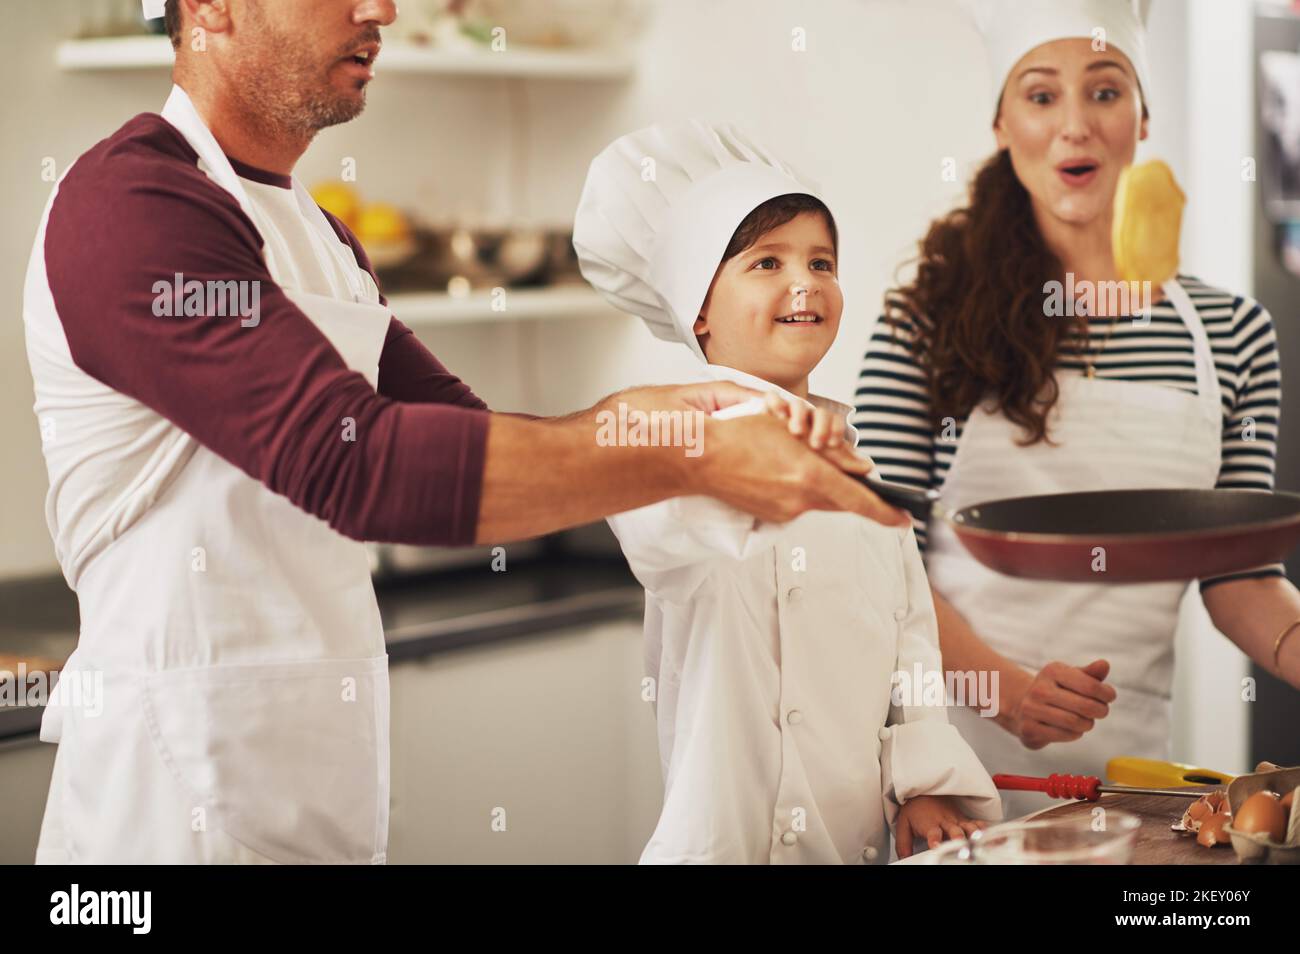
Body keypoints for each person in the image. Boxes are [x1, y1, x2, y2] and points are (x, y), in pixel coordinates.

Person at [21, 0, 902, 863]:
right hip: (162, 810)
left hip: (310, 792)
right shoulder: (131, 203)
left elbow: (469, 436)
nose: (385, 10)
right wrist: (688, 454)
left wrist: (652, 419)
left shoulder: (324, 239)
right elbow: (357, 466)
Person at [853, 0, 1300, 818]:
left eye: (1103, 91)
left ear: (1141, 117)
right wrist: (1005, 690)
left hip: (1138, 784)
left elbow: (1239, 574)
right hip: (950, 779)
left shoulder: (1235, 334)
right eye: (1040, 94)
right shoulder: (925, 321)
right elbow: (883, 567)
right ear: (1001, 125)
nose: (1074, 127)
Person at [574, 121, 1001, 863]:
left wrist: (924, 782)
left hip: (852, 842)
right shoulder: (669, 445)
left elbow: (910, 647)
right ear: (697, 310)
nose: (804, 281)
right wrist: (737, 455)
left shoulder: (858, 473)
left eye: (821, 261)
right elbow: (653, 522)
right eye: (766, 262)